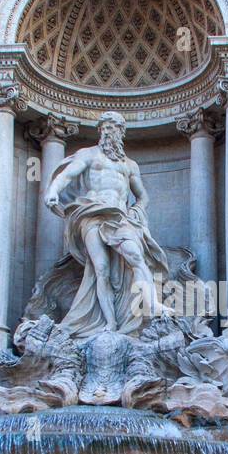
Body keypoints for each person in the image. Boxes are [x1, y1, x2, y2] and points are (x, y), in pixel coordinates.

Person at [42, 111, 173, 339]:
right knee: (100, 268)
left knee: (136, 257)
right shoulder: (88, 155)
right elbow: (67, 175)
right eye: (105, 127)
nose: (108, 131)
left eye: (113, 127)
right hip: (91, 213)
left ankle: (152, 304)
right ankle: (110, 323)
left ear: (121, 132)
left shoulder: (130, 165)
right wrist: (53, 190)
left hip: (119, 217)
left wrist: (136, 211)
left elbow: (143, 196)